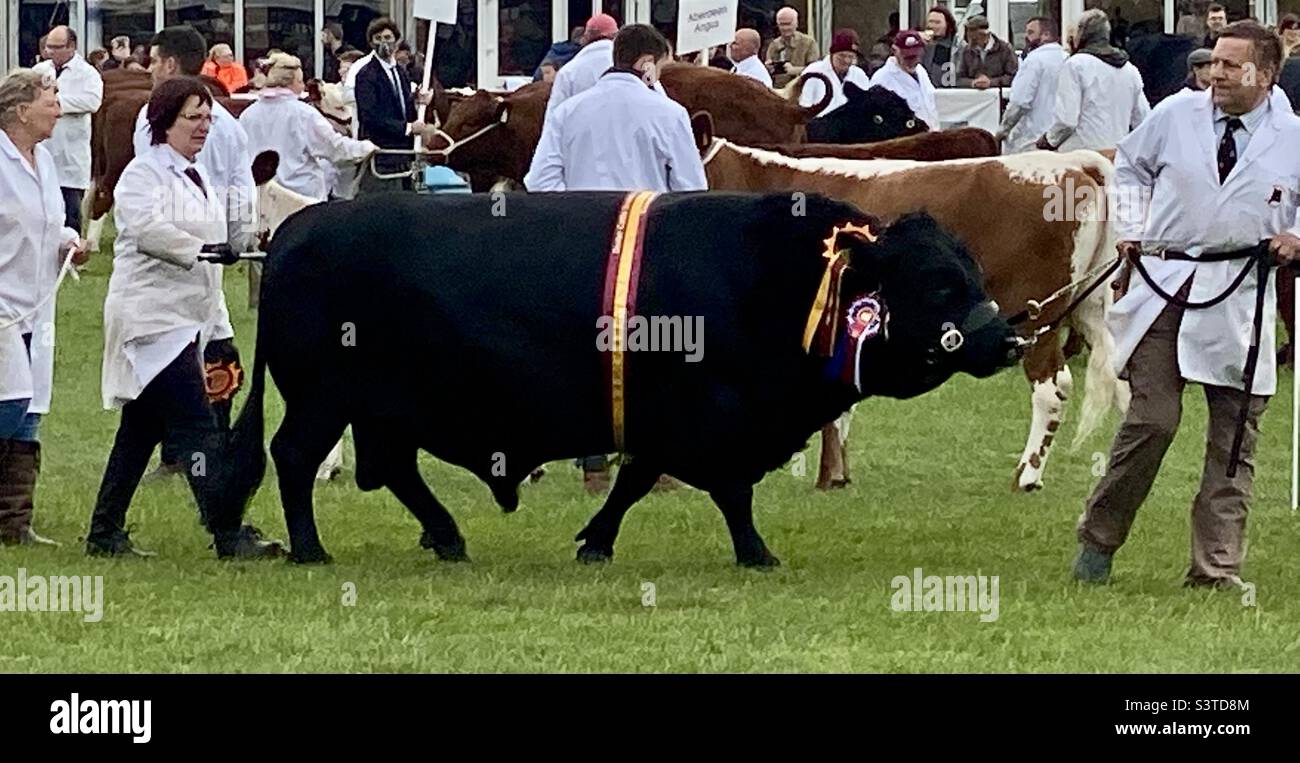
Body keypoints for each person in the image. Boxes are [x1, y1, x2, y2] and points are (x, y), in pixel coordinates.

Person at [1074, 21, 1300, 589]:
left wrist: (1295, 235)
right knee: (1152, 420)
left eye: (1231, 65)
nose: (1215, 74)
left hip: (1241, 295)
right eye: (1214, 63)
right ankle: (1098, 542)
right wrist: (1130, 226)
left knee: (1233, 441)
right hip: (1167, 283)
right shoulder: (1175, 114)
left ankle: (1215, 570)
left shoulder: (1293, 137)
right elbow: (1128, 167)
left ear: (1266, 74)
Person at [88, 78, 281, 559]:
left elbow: (217, 251)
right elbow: (146, 229)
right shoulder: (142, 174)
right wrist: (201, 249)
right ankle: (227, 532)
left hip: (187, 322)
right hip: (150, 321)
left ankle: (104, 533)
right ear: (164, 121)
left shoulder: (196, 177)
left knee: (140, 432)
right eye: (192, 118)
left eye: (207, 119)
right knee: (198, 429)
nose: (202, 127)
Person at [523, 24, 707, 494]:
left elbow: (539, 181)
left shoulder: (567, 110)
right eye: (661, 65)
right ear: (647, 63)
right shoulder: (669, 113)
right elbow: (692, 191)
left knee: (588, 354)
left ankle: (592, 466)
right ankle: (656, 463)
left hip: (584, 246)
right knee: (656, 353)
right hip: (649, 244)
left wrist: (580, 217)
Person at [134, 26, 252, 484]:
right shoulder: (228, 121)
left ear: (168, 63)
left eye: (152, 61)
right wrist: (238, 241)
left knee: (191, 349)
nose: (148, 70)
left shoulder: (154, 118)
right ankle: (196, 449)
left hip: (179, 252)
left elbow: (155, 181)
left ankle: (192, 450)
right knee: (210, 341)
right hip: (209, 249)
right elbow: (243, 187)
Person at [0, 69, 90, 547]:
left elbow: (49, 221)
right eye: (50, 98)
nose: (58, 107)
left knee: (29, 406)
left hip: (37, 304)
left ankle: (14, 522)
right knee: (6, 403)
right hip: (1, 305)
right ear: (20, 111)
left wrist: (70, 243)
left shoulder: (46, 161)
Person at [240, 53, 376, 200]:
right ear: (290, 83)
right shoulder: (304, 114)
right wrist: (366, 147)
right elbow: (334, 148)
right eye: (300, 81)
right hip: (302, 198)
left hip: (260, 198)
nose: (303, 86)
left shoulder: (247, 115)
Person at [1037, 9, 1149, 151]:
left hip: (1080, 155)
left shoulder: (1075, 65)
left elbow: (1067, 120)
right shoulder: (1130, 69)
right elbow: (1143, 120)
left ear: (1082, 34)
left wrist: (1048, 140)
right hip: (1115, 154)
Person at [31, 26, 103, 234]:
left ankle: (72, 261)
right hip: (42, 149)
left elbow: (92, 101)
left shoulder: (88, 73)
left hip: (70, 154)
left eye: (56, 47)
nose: (51, 52)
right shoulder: (39, 71)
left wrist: (55, 103)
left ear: (71, 47)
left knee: (70, 211)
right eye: (48, 47)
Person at [354, 17, 425, 193]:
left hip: (404, 154)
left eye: (387, 37)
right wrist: (407, 128)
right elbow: (370, 117)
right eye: (378, 39)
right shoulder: (366, 75)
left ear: (396, 40)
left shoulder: (401, 72)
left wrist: (418, 102)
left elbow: (402, 105)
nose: (384, 43)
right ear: (371, 43)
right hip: (382, 155)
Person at [996, 16, 1065, 152]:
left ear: (1046, 35)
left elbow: (1019, 102)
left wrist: (1002, 131)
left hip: (1031, 138)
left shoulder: (1033, 61)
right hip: (1058, 138)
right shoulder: (1067, 58)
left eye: (1031, 32)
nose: (1026, 37)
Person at [546, 14, 620, 118]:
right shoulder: (628, 66)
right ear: (615, 36)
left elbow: (554, 116)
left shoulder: (568, 72)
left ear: (585, 37)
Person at [868, 30, 941, 130]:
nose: (914, 61)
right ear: (895, 51)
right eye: (908, 58)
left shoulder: (921, 70)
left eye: (917, 56)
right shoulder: (881, 79)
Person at [799, 29, 873, 118]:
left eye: (851, 57)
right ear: (832, 53)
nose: (846, 61)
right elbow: (804, 106)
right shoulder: (813, 72)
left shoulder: (859, 75)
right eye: (841, 56)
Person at [955, 15, 1018, 89]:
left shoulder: (1005, 49)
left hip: (999, 97)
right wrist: (973, 83)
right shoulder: (966, 51)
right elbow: (958, 79)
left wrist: (991, 82)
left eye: (976, 39)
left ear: (986, 35)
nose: (972, 44)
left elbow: (1014, 77)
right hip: (973, 97)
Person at [765, 6, 820, 88]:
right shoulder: (774, 45)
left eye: (788, 24)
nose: (785, 28)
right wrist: (768, 68)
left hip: (801, 90)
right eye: (781, 24)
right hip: (779, 91)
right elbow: (769, 71)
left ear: (796, 23)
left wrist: (795, 70)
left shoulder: (809, 43)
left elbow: (816, 70)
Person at [921, 5, 959, 88]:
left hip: (949, 93)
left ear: (948, 24)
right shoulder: (923, 44)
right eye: (930, 21)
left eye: (937, 22)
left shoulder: (957, 46)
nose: (933, 26)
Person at [1282, 15, 1300, 112]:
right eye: (1289, 28)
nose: (1293, 32)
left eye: (1296, 29)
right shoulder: (1276, 46)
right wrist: (1287, 49)